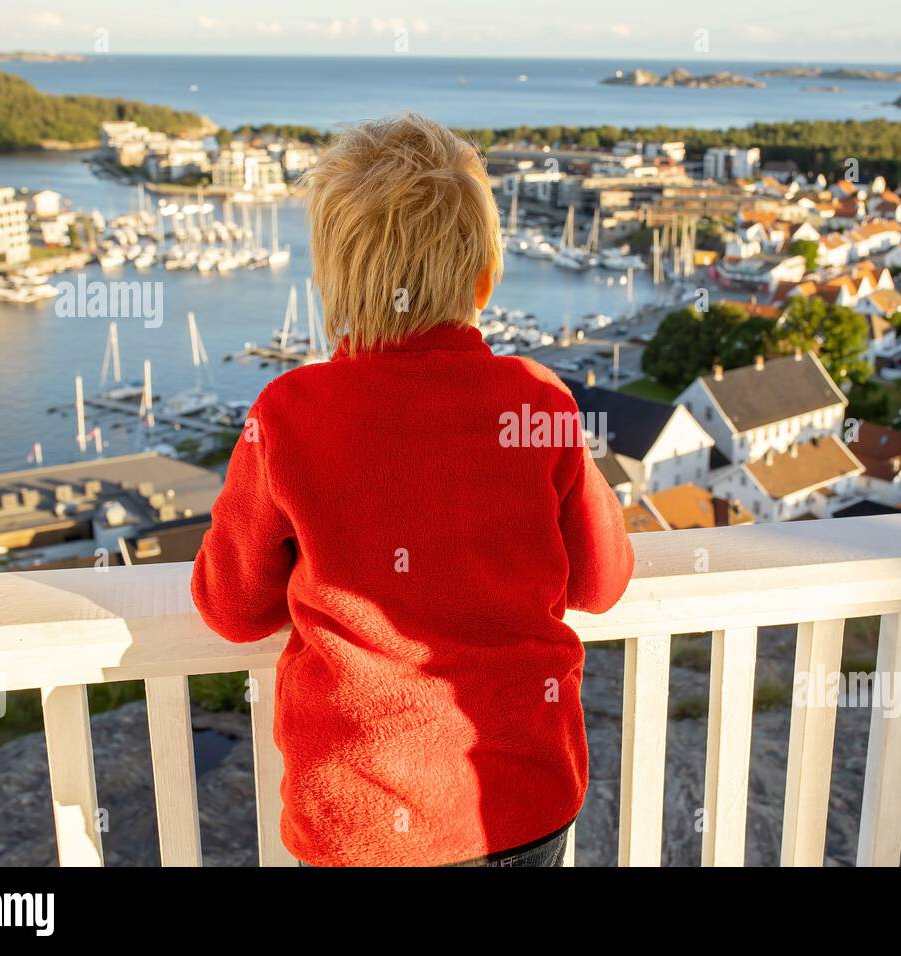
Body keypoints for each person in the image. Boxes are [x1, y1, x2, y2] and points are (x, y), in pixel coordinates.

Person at [191, 112, 634, 867]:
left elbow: (232, 609)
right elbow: (601, 581)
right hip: (521, 804)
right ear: (486, 278)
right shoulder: (538, 402)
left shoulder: (289, 416)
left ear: (330, 281)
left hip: (359, 820)